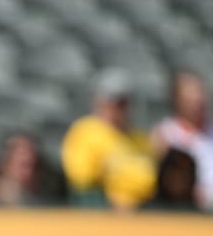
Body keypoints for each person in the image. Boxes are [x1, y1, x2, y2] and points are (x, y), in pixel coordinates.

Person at [60, 68, 155, 211]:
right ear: (100, 101)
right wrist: (120, 186)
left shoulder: (140, 139)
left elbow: (147, 181)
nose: (119, 108)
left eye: (123, 103)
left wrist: (111, 172)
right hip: (96, 211)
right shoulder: (84, 131)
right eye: (114, 102)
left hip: (138, 212)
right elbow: (82, 176)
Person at [150, 70, 213, 212]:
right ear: (178, 100)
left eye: (200, 93)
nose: (198, 100)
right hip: (187, 206)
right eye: (191, 96)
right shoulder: (165, 133)